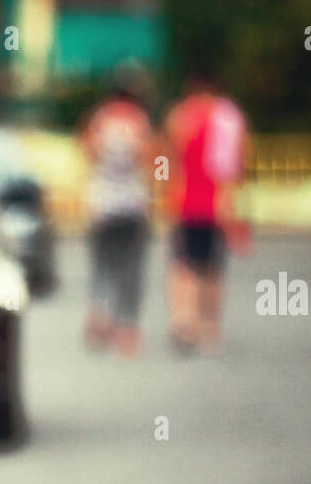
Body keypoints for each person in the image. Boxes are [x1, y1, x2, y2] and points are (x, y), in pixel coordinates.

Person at [162, 70, 249, 354]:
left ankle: (184, 321)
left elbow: (168, 157)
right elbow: (237, 163)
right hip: (218, 201)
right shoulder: (229, 117)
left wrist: (165, 191)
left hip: (185, 199)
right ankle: (209, 327)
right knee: (212, 266)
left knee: (183, 263)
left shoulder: (181, 115)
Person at [79, 62, 156, 357]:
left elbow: (89, 153)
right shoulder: (139, 121)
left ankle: (99, 314)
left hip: (103, 203)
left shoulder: (99, 118)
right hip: (133, 204)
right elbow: (148, 160)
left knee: (102, 265)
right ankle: (127, 330)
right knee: (131, 269)